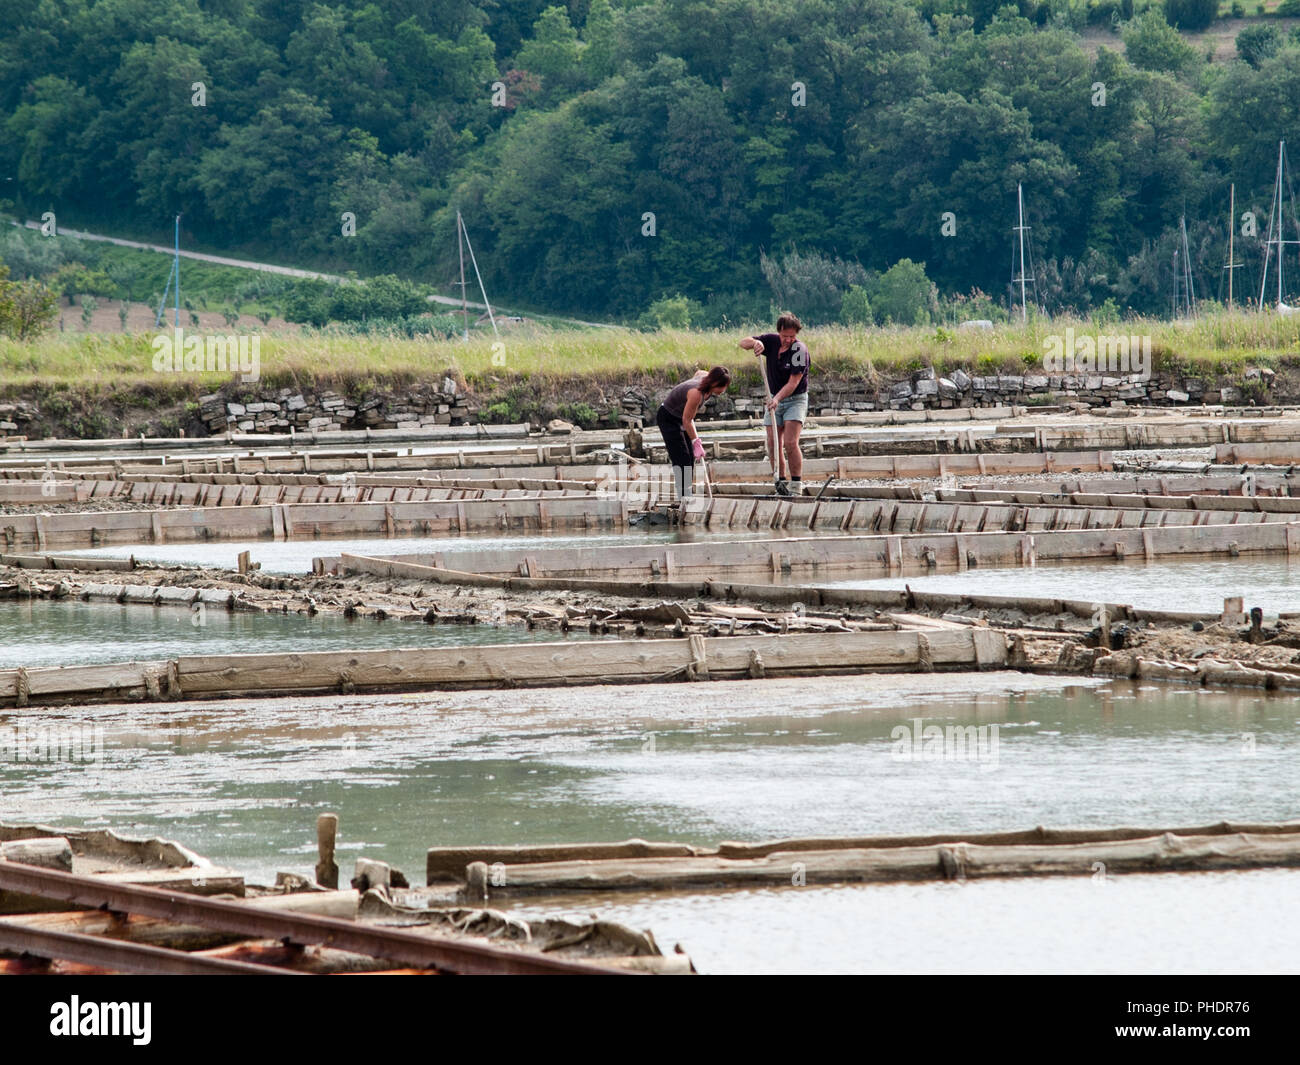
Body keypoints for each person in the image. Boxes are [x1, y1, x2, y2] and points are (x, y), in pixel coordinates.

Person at [739, 313, 809, 496]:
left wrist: (777, 399)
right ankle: (781, 482)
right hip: (773, 399)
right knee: (772, 442)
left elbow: (793, 383)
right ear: (779, 332)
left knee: (790, 442)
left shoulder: (799, 350)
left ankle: (796, 485)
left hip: (794, 399)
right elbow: (742, 342)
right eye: (785, 336)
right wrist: (755, 343)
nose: (788, 340)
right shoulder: (770, 341)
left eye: (792, 336)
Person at [655, 366, 731, 501]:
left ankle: (687, 493)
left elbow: (699, 372)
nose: (723, 391)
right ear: (714, 383)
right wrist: (696, 442)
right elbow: (687, 420)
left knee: (690, 457)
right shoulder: (696, 393)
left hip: (681, 417)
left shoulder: (705, 377)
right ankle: (684, 498)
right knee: (682, 458)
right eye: (722, 387)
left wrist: (695, 442)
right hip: (668, 418)